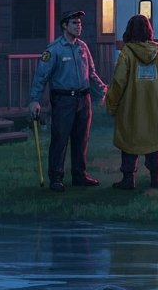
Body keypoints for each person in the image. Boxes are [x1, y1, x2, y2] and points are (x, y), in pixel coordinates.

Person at [29, 10, 108, 192]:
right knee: (60, 138)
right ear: (64, 25)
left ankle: (80, 175)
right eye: (74, 22)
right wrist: (34, 100)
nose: (79, 26)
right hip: (63, 100)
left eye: (80, 23)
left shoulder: (82, 47)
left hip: (83, 99)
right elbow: (41, 76)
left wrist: (103, 90)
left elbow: (91, 73)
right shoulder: (54, 50)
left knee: (81, 139)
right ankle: (56, 177)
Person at [105, 14, 158, 190]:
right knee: (153, 143)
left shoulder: (126, 55)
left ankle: (129, 179)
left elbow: (119, 83)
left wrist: (111, 104)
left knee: (129, 143)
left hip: (131, 111)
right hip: (154, 111)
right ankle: (156, 178)